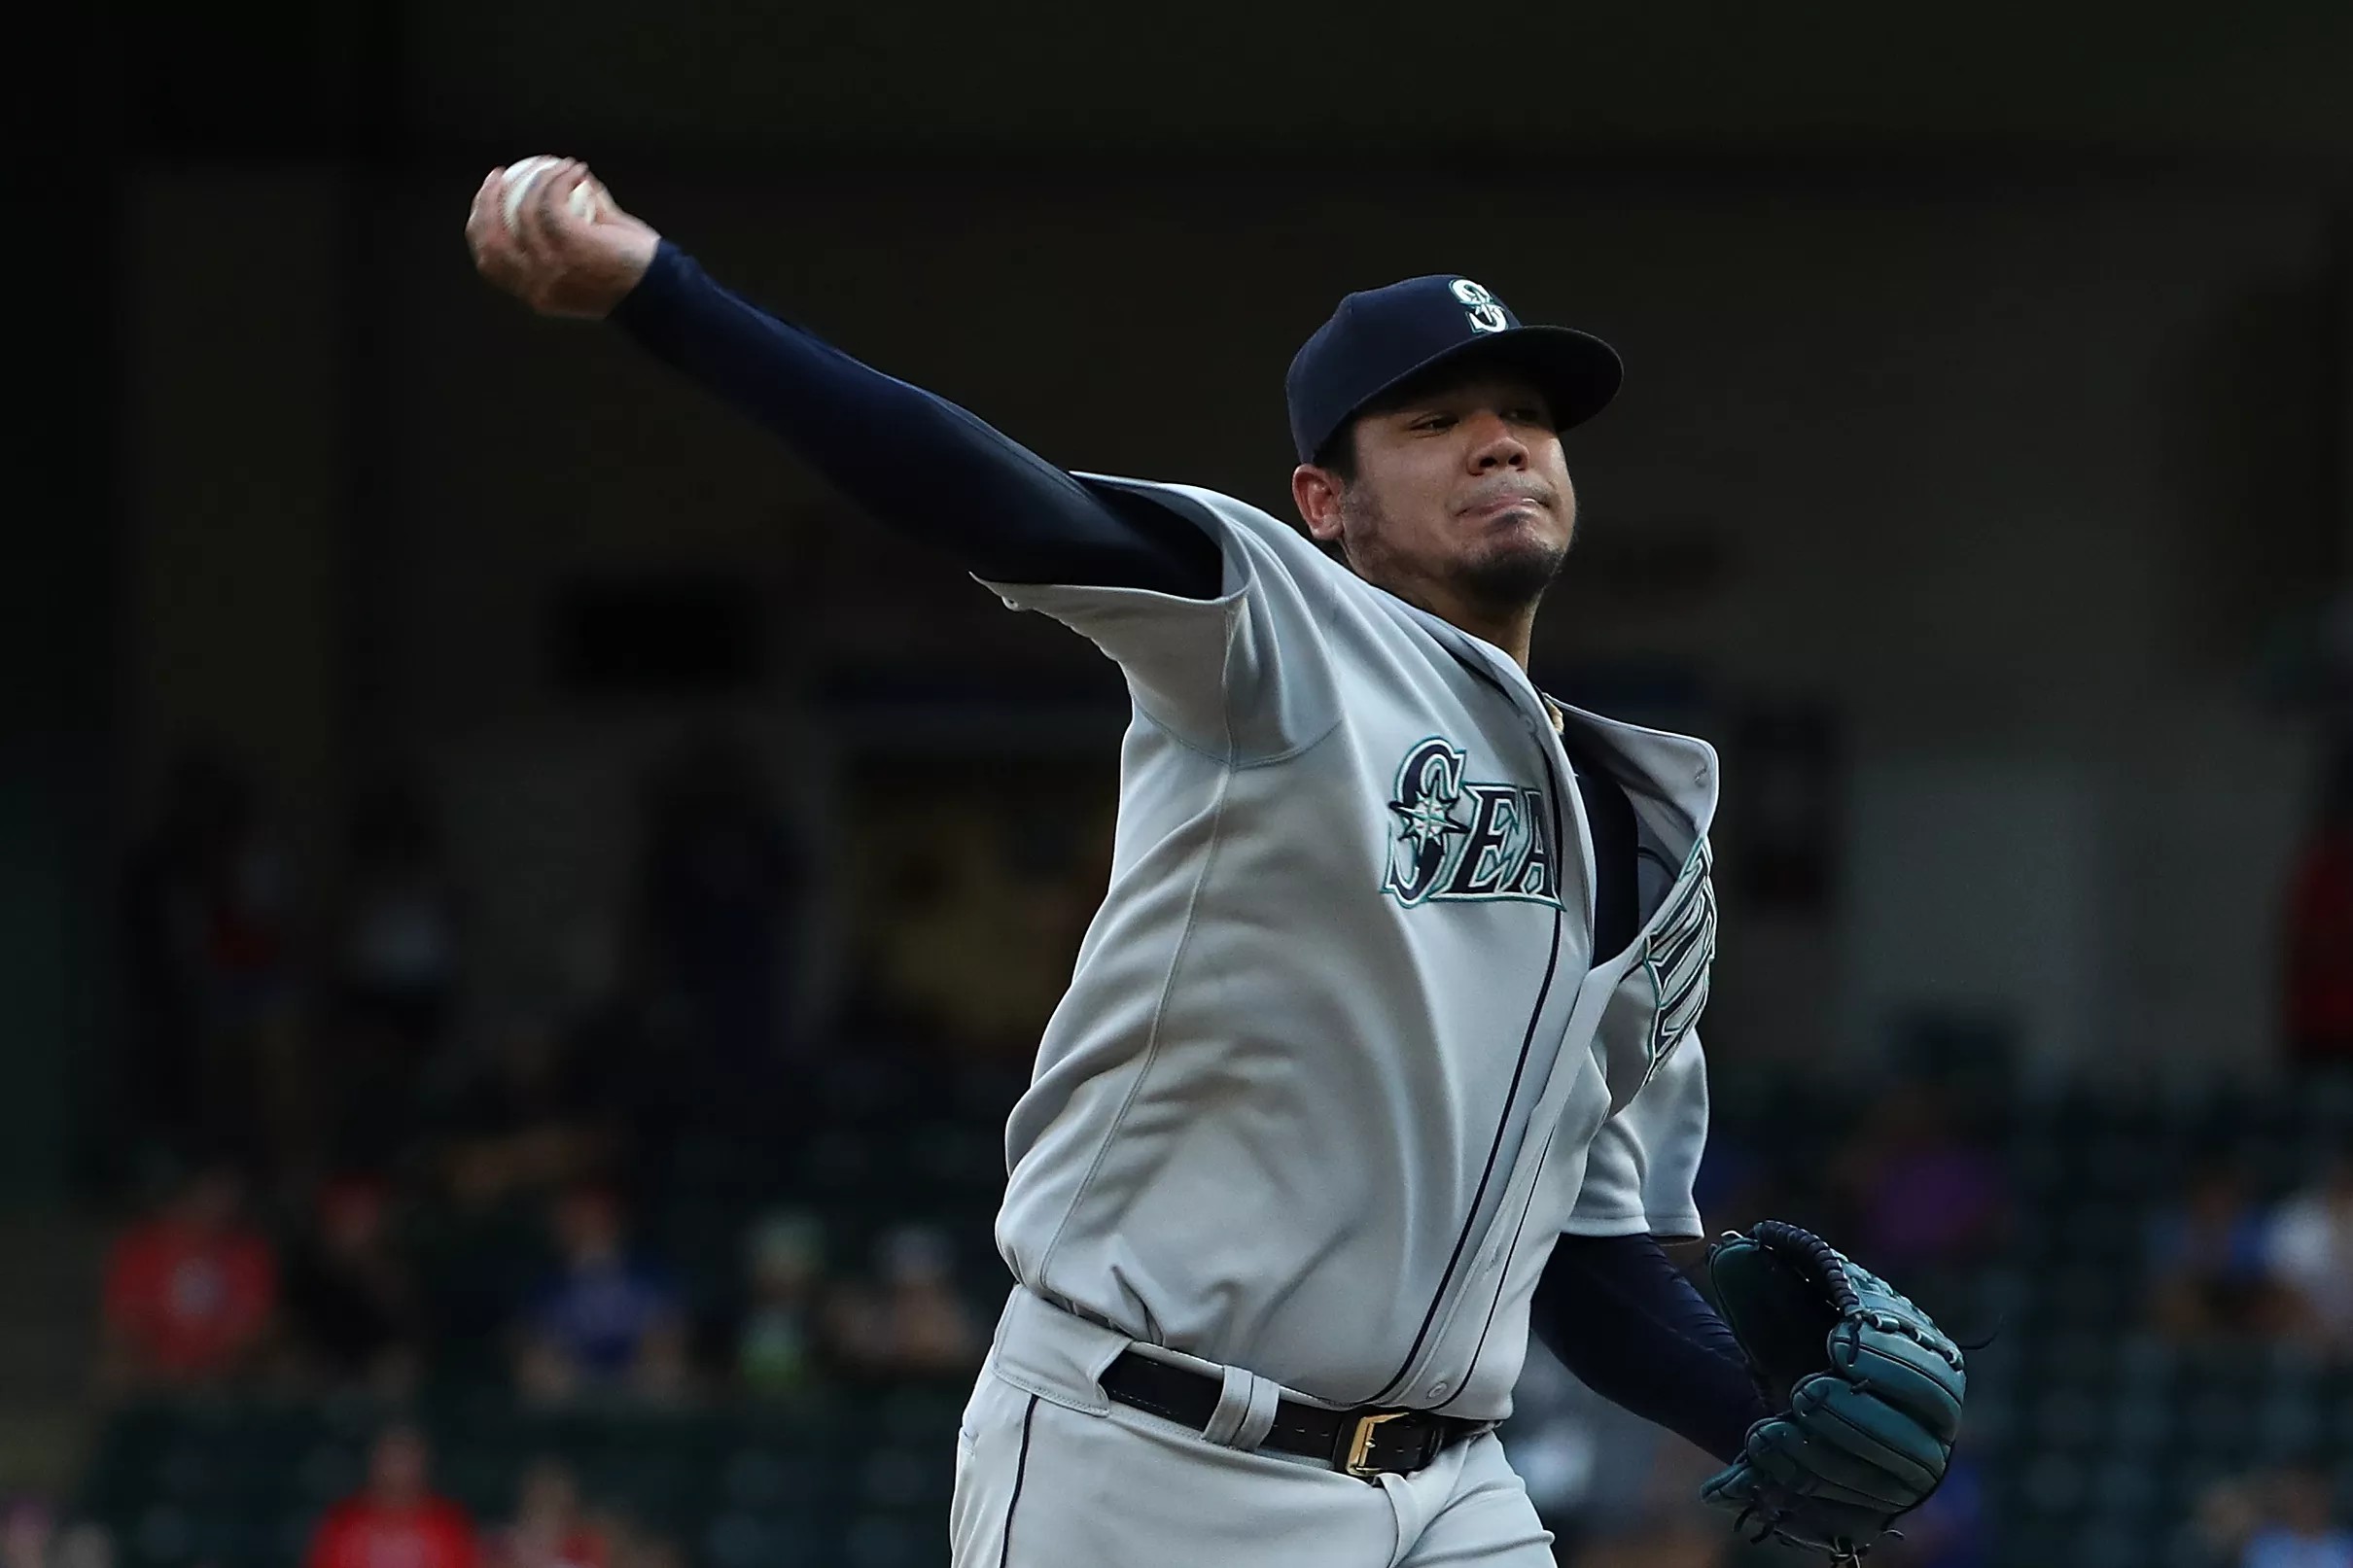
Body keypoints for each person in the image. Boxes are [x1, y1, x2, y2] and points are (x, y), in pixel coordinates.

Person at [467, 160, 1956, 1567]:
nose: (1503, 440)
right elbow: (996, 497)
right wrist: (660, 290)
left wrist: (1765, 1417)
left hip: (1451, 1486)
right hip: (1150, 1455)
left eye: (1526, 413)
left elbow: (1584, 1253)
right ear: (1326, 501)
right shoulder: (1274, 636)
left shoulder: (1646, 823)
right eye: (1435, 420)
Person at [98, 1161, 277, 1392]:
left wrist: (211, 1368)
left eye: (229, 1195)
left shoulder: (249, 1253)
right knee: (114, 1372)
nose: (221, 1205)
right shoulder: (142, 1248)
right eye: (210, 1192)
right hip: (153, 1374)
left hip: (228, 1377)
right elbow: (124, 1325)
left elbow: (255, 1328)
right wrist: (161, 1368)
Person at [515, 1184, 688, 1403]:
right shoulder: (547, 1286)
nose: (583, 1226)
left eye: (592, 1217)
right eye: (574, 1219)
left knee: (666, 1373)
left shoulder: (651, 1276)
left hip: (641, 1384)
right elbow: (533, 1344)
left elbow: (669, 1335)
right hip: (571, 1387)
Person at [304, 1424, 476, 1568]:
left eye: (407, 1457)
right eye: (391, 1457)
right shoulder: (343, 1524)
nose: (399, 1468)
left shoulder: (449, 1525)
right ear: (373, 1461)